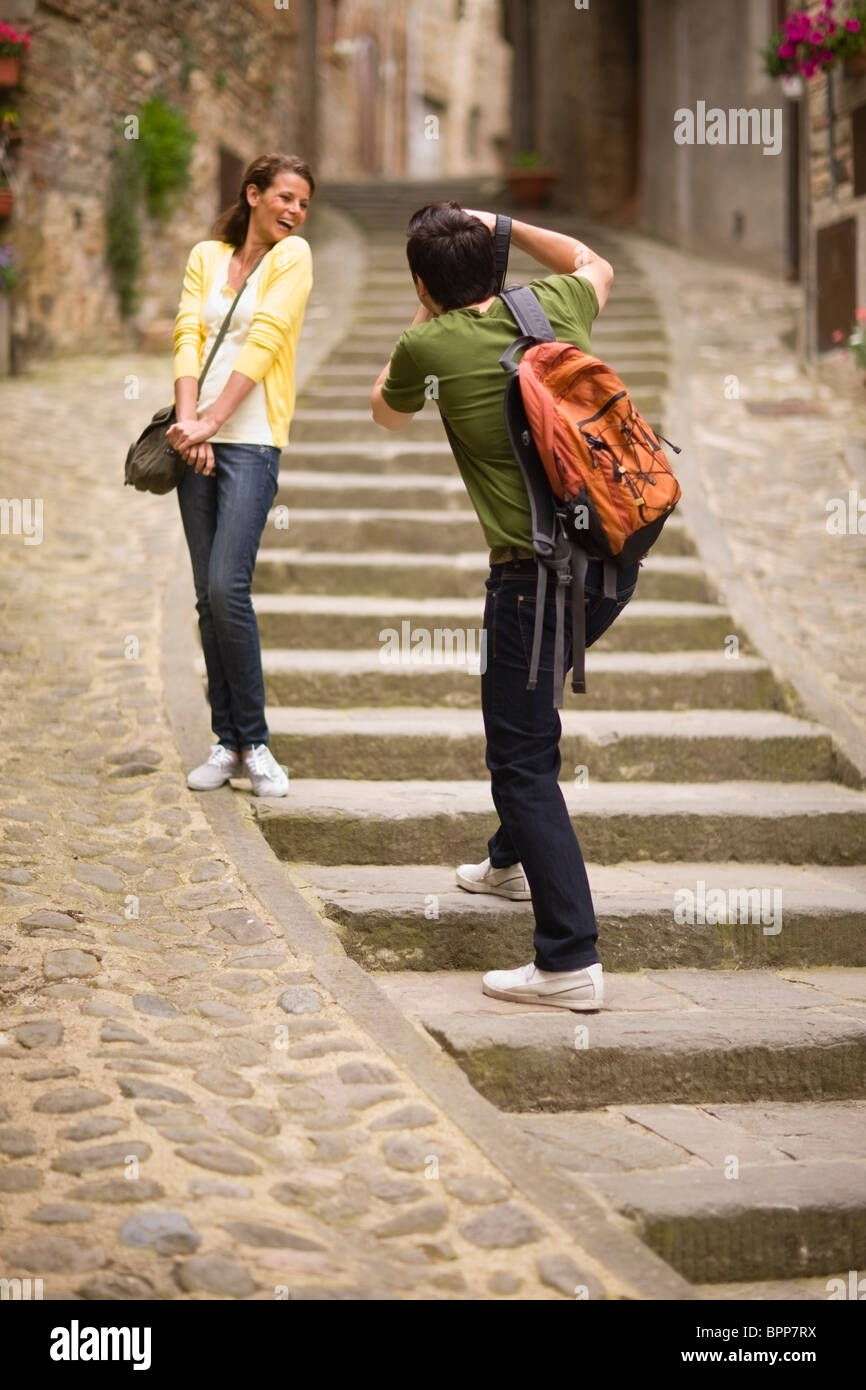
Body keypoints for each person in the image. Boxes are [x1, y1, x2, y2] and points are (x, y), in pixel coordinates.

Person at [371, 203, 639, 1011]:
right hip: (614, 560)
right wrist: (506, 224)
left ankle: (570, 960)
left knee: (521, 758)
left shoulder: (427, 342)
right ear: (493, 267)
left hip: (531, 581)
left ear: (423, 283)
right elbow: (597, 259)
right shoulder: (549, 305)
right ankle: (507, 861)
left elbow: (386, 413)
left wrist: (426, 308)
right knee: (524, 722)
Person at [168, 152, 314, 797]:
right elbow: (186, 337)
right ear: (252, 194)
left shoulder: (294, 258)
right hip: (196, 435)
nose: (294, 210)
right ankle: (225, 742)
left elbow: (268, 338)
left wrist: (211, 422)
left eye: (303, 203)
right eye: (284, 197)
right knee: (205, 597)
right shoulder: (205, 256)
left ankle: (255, 743)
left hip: (251, 440)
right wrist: (186, 422)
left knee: (229, 587)